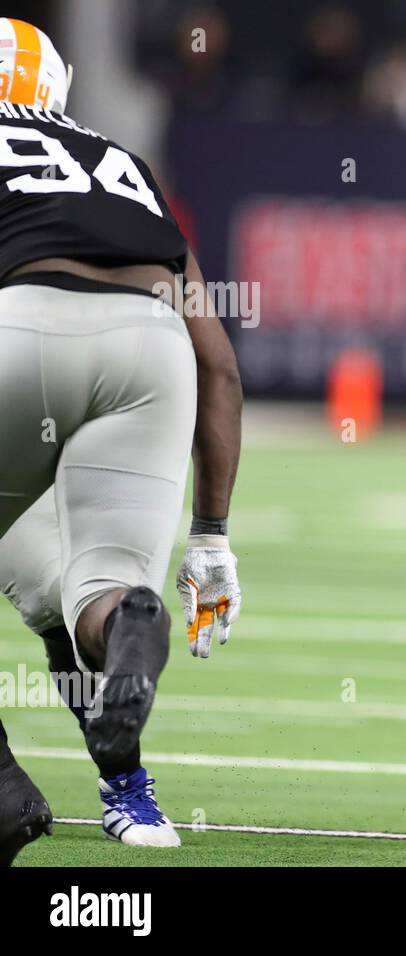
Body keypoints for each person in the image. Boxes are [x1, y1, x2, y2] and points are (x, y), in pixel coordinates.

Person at [0, 18, 243, 864]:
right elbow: (221, 367)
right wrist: (210, 538)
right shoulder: (122, 165)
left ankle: (3, 788)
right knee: (85, 592)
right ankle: (126, 784)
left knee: (43, 578)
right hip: (152, 356)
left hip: (18, 334)